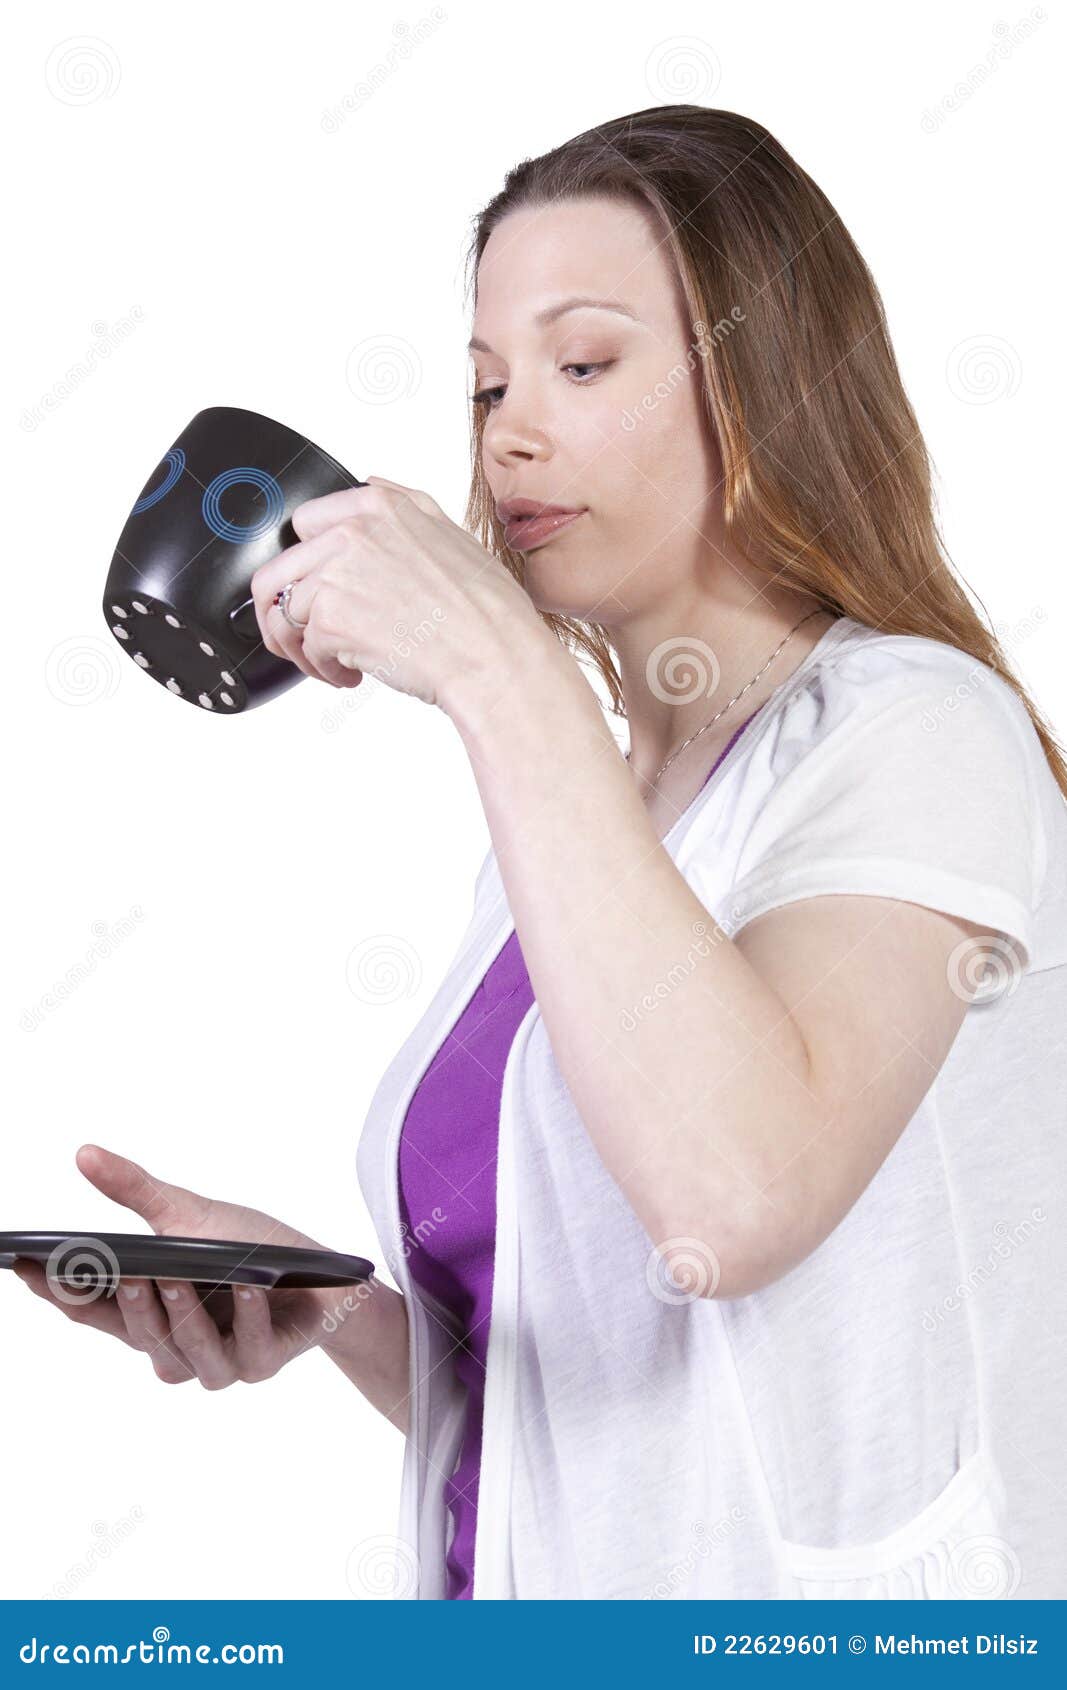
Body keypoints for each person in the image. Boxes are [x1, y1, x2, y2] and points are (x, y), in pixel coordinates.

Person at [15, 105, 1067, 1600]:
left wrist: (500, 674)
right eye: (490, 381)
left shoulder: (915, 731)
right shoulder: (580, 812)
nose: (507, 430)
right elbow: (620, 1409)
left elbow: (736, 1197)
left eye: (583, 364)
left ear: (772, 388)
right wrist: (336, 1314)